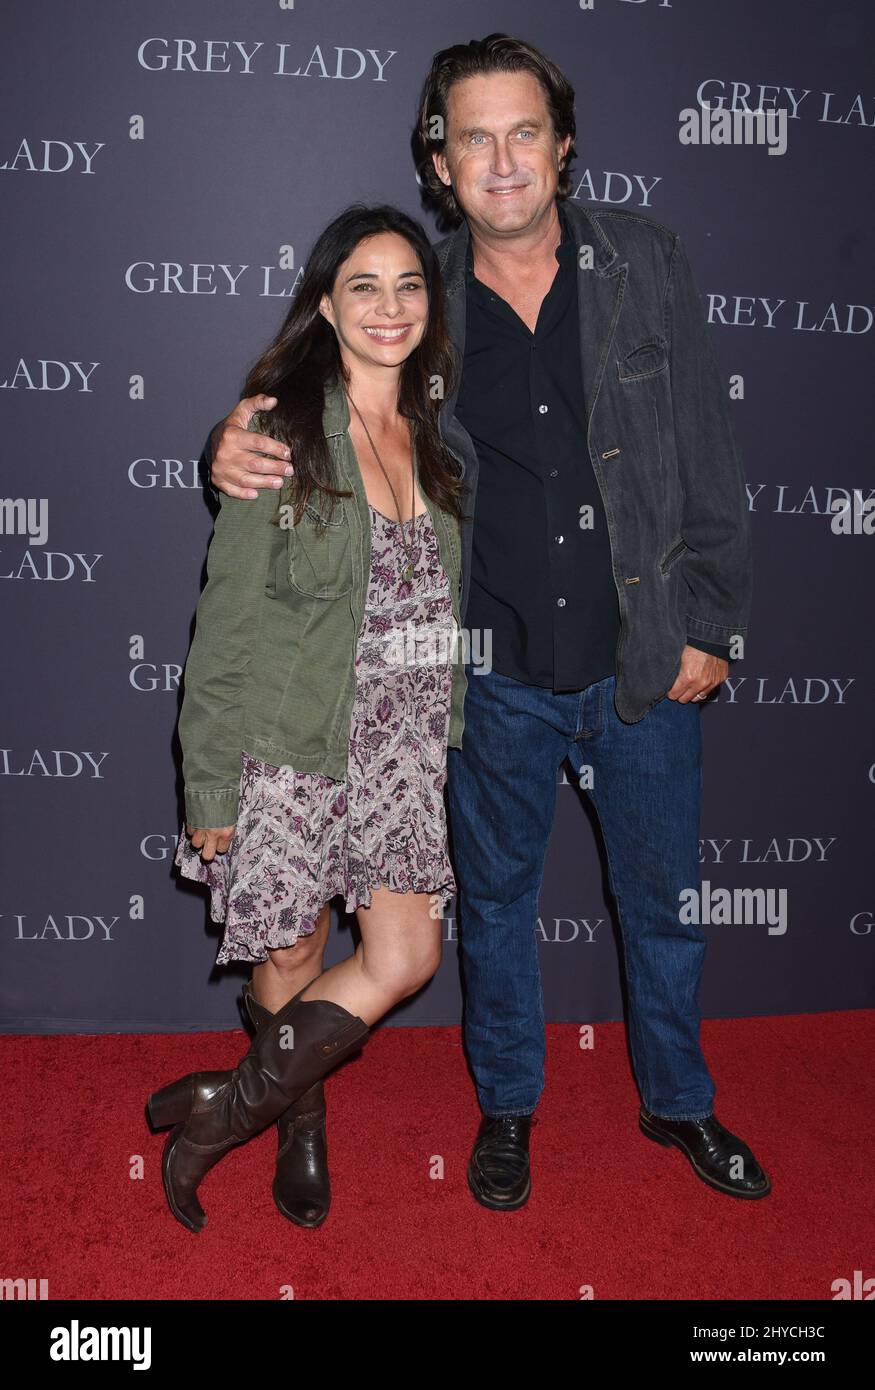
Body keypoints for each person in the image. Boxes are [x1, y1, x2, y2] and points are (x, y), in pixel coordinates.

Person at [204, 34, 770, 1208]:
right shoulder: (425, 298)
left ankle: (678, 1103)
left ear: (561, 149)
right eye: (474, 137)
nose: (501, 159)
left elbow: (710, 459)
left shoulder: (649, 262)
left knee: (661, 909)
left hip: (640, 657)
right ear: (440, 160)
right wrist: (225, 441)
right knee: (496, 913)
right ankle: (507, 1108)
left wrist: (710, 622)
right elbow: (324, 395)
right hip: (489, 673)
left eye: (524, 132)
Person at [147, 204, 468, 1234]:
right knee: (287, 958)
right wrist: (212, 788)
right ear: (325, 304)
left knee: (405, 952)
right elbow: (226, 619)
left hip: (404, 753)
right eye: (362, 286)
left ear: (430, 303)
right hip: (289, 742)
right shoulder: (276, 432)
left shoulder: (441, 431)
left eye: (408, 284)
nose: (388, 306)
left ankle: (219, 1116)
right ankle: (298, 1123)